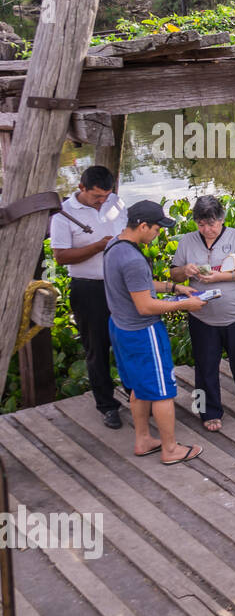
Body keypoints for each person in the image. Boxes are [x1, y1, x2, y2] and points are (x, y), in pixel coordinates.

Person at [103, 200, 205, 465]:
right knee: (163, 391)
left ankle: (143, 439)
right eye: (157, 228)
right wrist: (185, 304)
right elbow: (145, 305)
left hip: (120, 328)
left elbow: (139, 285)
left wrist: (173, 287)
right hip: (142, 333)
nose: (159, 233)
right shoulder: (133, 259)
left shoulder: (115, 246)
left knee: (138, 387)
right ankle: (170, 449)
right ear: (143, 225)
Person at [169, 195, 235, 432]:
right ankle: (207, 410)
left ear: (221, 219)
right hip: (202, 316)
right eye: (201, 224)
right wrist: (184, 269)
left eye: (211, 224)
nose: (207, 230)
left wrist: (221, 276)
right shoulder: (188, 242)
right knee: (204, 366)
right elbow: (174, 275)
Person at [50, 165, 127, 429]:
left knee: (127, 340)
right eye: (97, 196)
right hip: (88, 288)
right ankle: (107, 405)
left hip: (120, 285)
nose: (103, 201)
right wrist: (97, 246)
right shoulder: (64, 215)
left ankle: (136, 394)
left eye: (106, 195)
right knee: (96, 348)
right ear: (81, 188)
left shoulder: (115, 202)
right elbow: (60, 256)